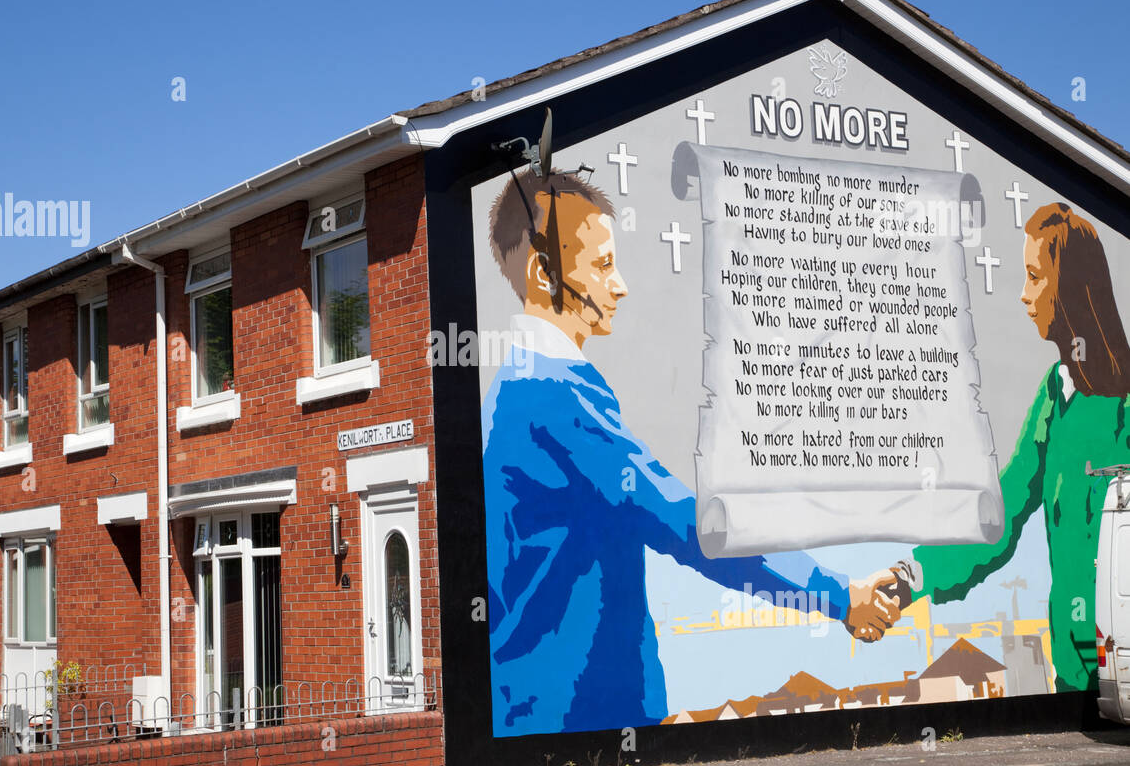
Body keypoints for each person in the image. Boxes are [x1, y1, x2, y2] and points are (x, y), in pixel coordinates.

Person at [482, 169, 899, 736]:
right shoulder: (555, 395)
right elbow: (688, 525)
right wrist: (839, 596)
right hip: (584, 728)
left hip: (535, 721)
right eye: (602, 266)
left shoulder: (510, 390)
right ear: (541, 272)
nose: (620, 285)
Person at [893, 203, 1130, 691]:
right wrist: (911, 577)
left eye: (1035, 278)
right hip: (1075, 676)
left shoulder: (1124, 402)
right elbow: (999, 518)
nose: (1024, 296)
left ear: (1071, 289)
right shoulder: (1054, 394)